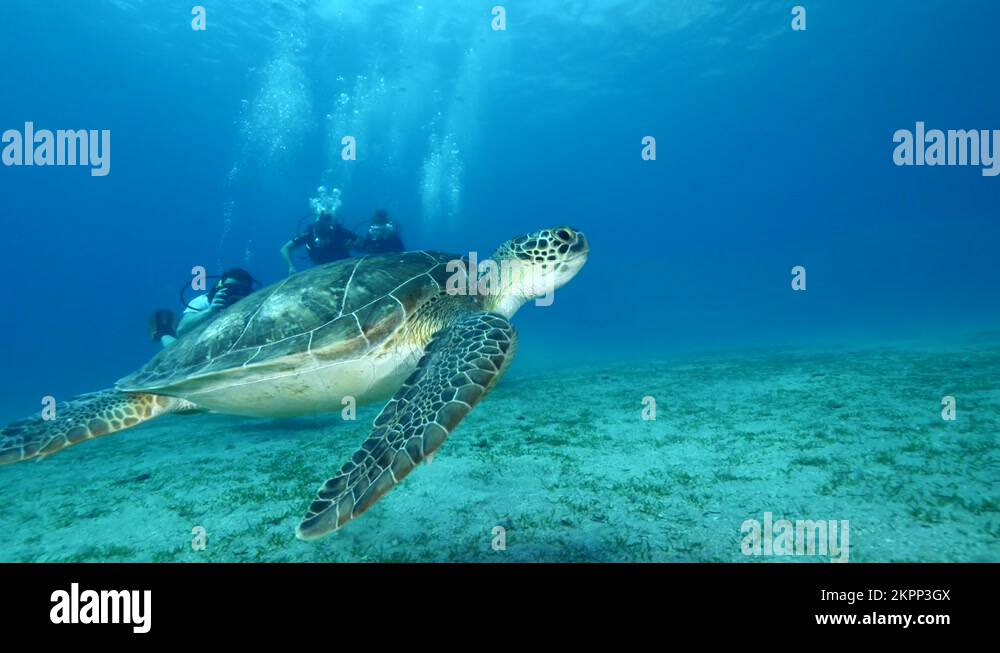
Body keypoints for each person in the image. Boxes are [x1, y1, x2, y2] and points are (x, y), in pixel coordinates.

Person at [149, 268, 256, 348]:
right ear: (220, 287)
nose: (236, 293)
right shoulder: (203, 301)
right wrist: (211, 310)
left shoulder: (252, 301)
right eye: (231, 289)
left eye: (243, 290)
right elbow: (181, 331)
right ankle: (164, 332)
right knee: (174, 349)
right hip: (199, 341)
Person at [281, 209, 357, 274]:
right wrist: (291, 266)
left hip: (343, 262)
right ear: (315, 236)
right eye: (321, 240)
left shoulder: (340, 232)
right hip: (320, 262)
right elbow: (285, 248)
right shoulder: (308, 234)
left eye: (326, 240)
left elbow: (364, 246)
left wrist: (354, 245)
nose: (323, 243)